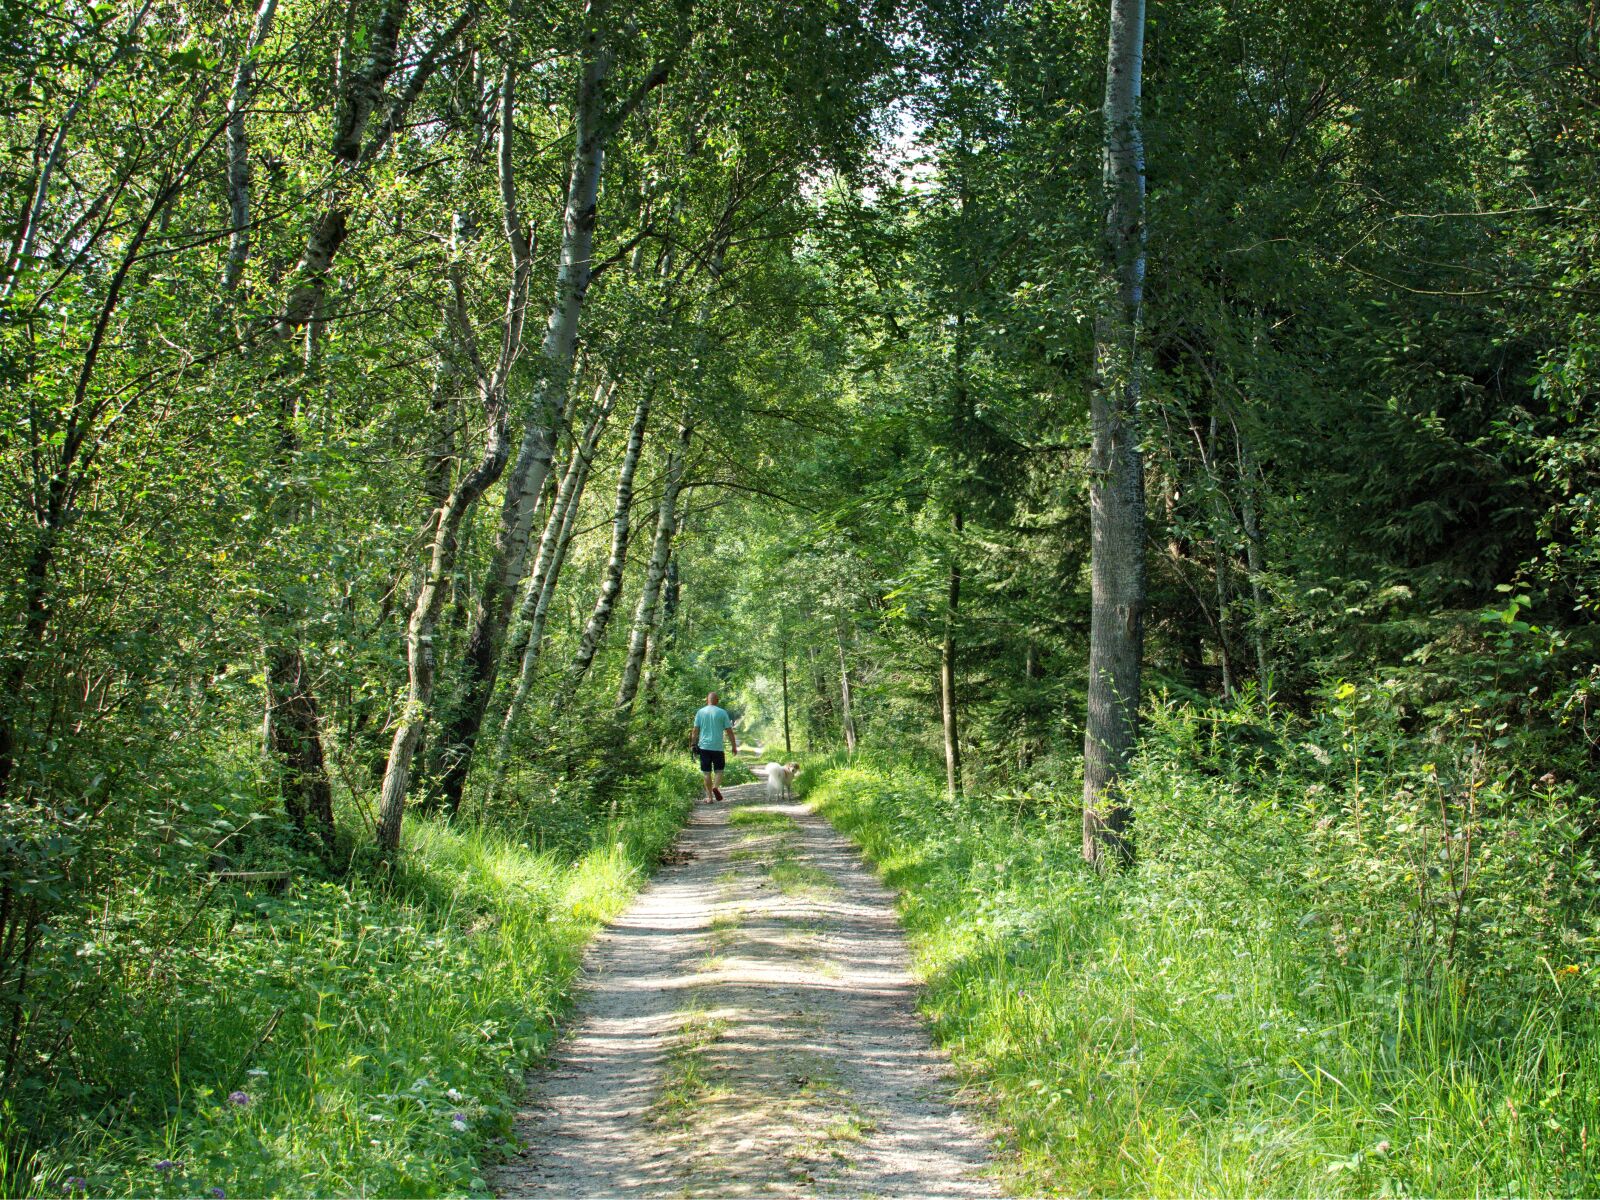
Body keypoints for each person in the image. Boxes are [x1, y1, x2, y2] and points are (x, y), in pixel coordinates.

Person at [690, 691, 737, 803]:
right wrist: (734, 746)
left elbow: (695, 730)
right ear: (717, 700)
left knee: (706, 773)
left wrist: (693, 743)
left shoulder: (700, 712)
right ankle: (715, 786)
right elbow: (729, 731)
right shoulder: (722, 713)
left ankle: (710, 797)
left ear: (707, 700)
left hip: (704, 747)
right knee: (719, 771)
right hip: (717, 747)